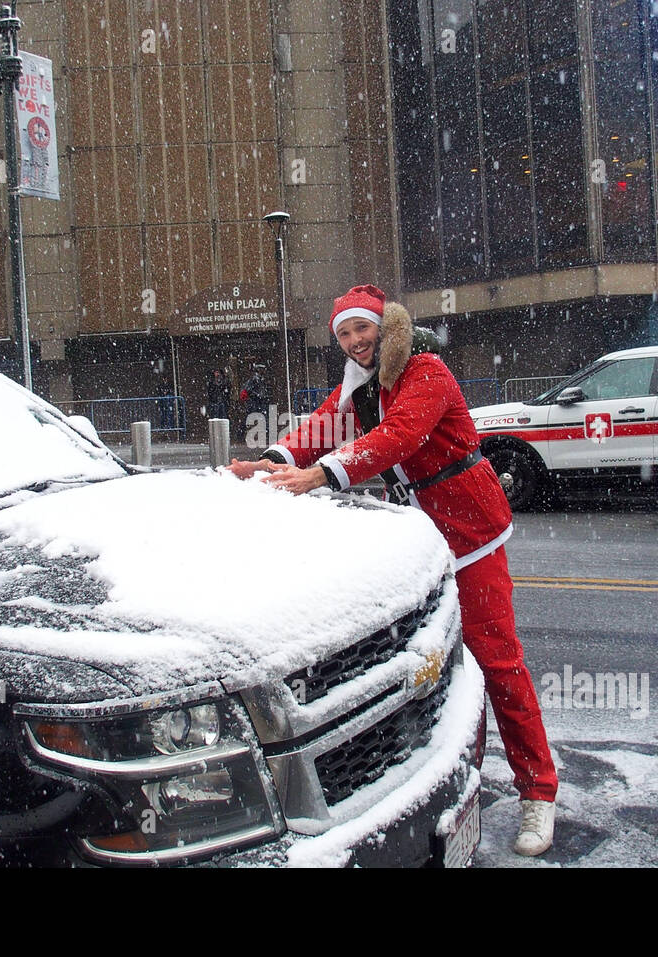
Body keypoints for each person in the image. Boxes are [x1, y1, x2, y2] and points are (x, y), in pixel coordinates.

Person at [228, 284, 558, 856]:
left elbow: (399, 435)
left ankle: (540, 791)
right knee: (441, 668)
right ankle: (461, 778)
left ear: (384, 327)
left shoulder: (425, 371)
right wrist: (275, 461)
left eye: (362, 328)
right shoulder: (359, 388)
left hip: (470, 535)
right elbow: (319, 430)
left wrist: (324, 475)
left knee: (497, 662)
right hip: (422, 544)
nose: (355, 341)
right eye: (344, 334)